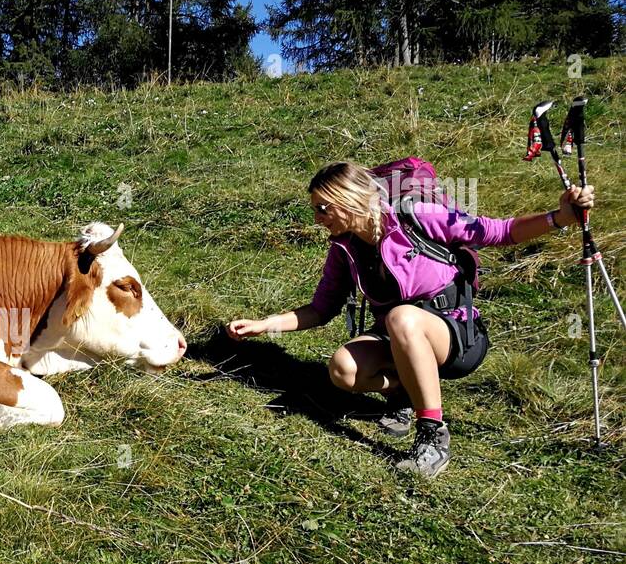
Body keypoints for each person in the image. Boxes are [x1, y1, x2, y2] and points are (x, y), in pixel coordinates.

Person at [227, 160, 595, 477]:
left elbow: (498, 231)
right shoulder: (344, 249)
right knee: (342, 370)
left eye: (323, 208)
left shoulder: (416, 217)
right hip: (398, 335)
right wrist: (265, 324)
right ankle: (403, 391)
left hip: (455, 334)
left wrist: (559, 218)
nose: (317, 219)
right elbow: (320, 310)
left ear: (349, 199)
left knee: (403, 317)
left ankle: (432, 434)